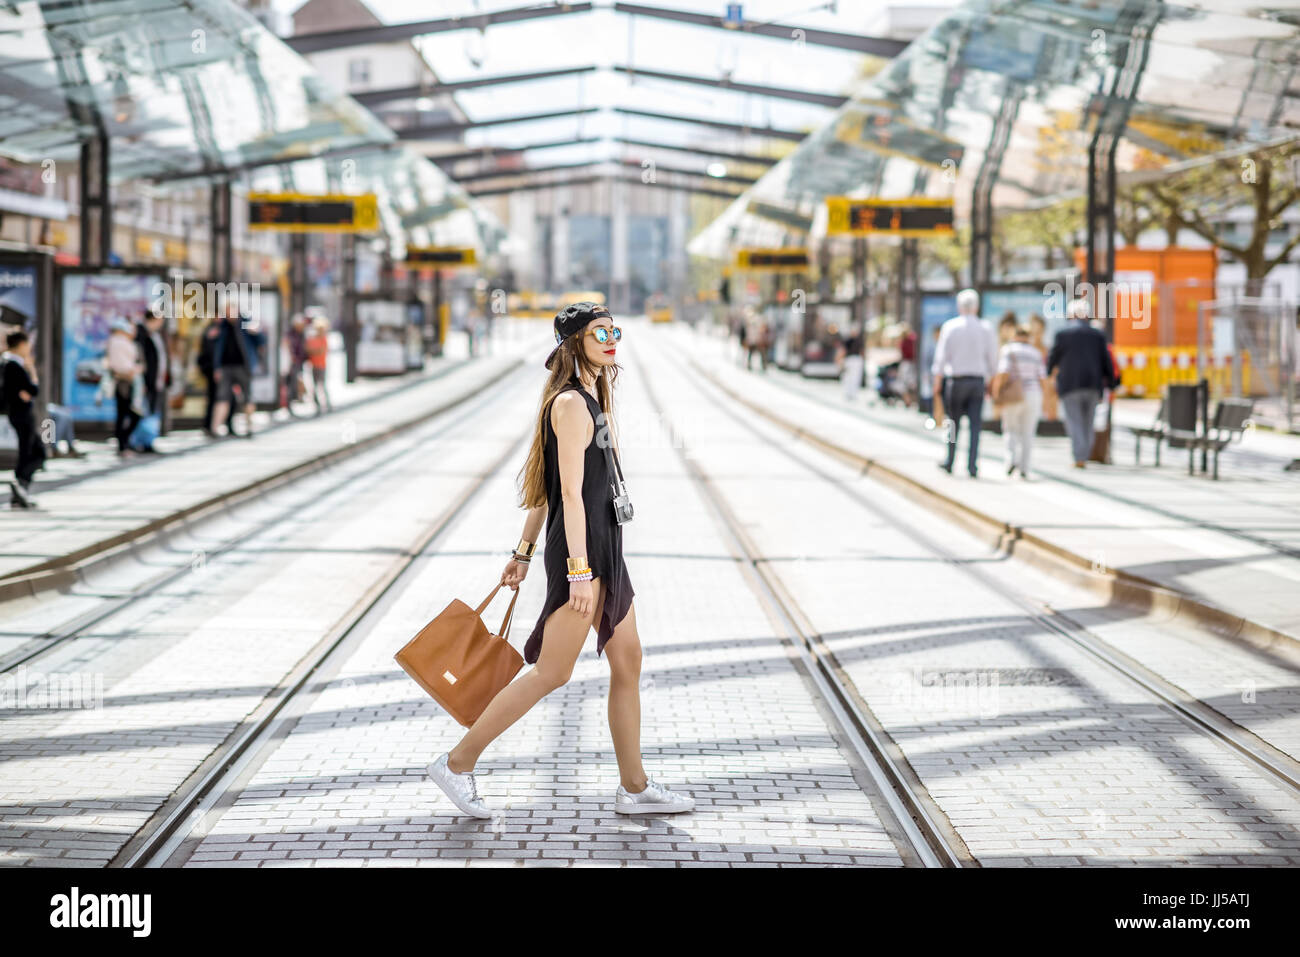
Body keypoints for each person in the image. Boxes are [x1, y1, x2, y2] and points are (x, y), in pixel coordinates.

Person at [427, 301, 693, 819]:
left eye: (614, 329)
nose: (611, 337)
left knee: (627, 660)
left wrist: (522, 552)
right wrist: (577, 571)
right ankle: (457, 763)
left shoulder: (591, 394)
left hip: (604, 548)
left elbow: (546, 489)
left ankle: (634, 787)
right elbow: (568, 494)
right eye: (600, 332)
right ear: (574, 343)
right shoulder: (570, 405)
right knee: (552, 672)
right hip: (584, 553)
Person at [931, 288, 998, 478]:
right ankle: (972, 465)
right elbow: (993, 359)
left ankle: (950, 460)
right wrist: (991, 382)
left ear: (959, 306)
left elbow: (941, 358)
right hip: (977, 382)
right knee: (975, 426)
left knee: (952, 423)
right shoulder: (986, 328)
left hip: (956, 382)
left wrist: (937, 381)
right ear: (976, 307)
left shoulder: (950, 327)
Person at [1048, 298, 1121, 469]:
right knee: (1089, 421)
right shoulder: (1097, 335)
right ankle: (1084, 454)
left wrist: (1049, 372)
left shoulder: (1063, 334)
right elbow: (1106, 361)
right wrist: (1111, 382)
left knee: (1074, 420)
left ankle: (1079, 456)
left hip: (1070, 384)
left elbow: (1053, 358)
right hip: (1093, 385)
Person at [996, 325, 1047, 479]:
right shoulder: (1036, 353)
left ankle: (1011, 460)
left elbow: (1003, 373)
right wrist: (1045, 399)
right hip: (1033, 394)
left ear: (1015, 335)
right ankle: (1024, 467)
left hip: (1014, 394)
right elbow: (1042, 378)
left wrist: (998, 393)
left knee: (1010, 428)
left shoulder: (1008, 350)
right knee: (1028, 432)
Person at [2, 330, 45, 508]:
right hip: (21, 414)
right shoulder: (13, 365)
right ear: (21, 345)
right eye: (28, 345)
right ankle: (20, 483)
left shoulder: (6, 364)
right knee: (34, 451)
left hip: (17, 413)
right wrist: (32, 371)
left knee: (31, 449)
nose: (29, 349)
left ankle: (20, 490)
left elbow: (29, 392)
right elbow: (33, 390)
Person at [208, 301, 256, 439]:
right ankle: (215, 428)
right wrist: (216, 367)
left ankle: (249, 427)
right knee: (222, 397)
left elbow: (261, 341)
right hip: (225, 367)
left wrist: (256, 333)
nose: (230, 314)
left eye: (232, 311)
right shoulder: (221, 326)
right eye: (228, 311)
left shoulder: (246, 323)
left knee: (247, 398)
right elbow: (214, 347)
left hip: (243, 366)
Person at [105, 318, 144, 456]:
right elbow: (120, 365)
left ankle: (123, 444)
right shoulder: (118, 342)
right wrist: (134, 369)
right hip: (124, 382)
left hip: (127, 381)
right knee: (128, 414)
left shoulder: (119, 342)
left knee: (124, 414)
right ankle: (123, 445)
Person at [134, 312, 171, 453]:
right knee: (143, 412)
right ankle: (140, 442)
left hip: (158, 382)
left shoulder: (157, 335)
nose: (161, 323)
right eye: (159, 320)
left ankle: (148, 442)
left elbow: (163, 359)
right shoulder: (142, 335)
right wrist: (142, 381)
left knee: (153, 411)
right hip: (146, 382)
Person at [304, 315, 332, 414]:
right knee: (314, 387)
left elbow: (320, 351)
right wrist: (314, 351)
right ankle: (318, 406)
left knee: (322, 386)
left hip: (321, 365)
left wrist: (313, 351)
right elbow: (307, 350)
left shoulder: (323, 339)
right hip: (314, 365)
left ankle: (327, 405)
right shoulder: (312, 339)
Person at [838, 324, 865, 401]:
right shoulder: (848, 340)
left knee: (854, 377)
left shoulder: (858, 341)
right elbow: (843, 351)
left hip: (855, 360)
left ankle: (853, 393)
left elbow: (861, 352)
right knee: (848, 377)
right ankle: (849, 393)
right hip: (850, 360)